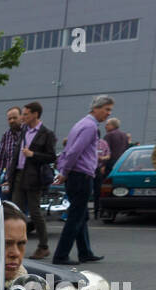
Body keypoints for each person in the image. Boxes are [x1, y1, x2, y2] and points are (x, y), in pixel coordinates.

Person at [52, 94, 112, 266]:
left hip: (76, 175)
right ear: (96, 108)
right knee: (75, 216)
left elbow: (68, 150)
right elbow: (74, 151)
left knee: (81, 215)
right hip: (81, 176)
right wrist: (64, 171)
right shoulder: (90, 127)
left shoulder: (81, 124)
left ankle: (85, 252)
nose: (108, 114)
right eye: (107, 109)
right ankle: (61, 255)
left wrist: (64, 170)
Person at [10, 102, 56, 260]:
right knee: (15, 211)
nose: (23, 117)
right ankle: (13, 243)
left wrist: (33, 154)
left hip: (34, 177)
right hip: (19, 175)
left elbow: (51, 157)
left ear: (35, 114)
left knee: (35, 212)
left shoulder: (46, 133)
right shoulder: (24, 131)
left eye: (26, 114)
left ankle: (43, 246)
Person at [0, 106, 23, 196]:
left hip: (22, 181)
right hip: (7, 181)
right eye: (9, 119)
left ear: (21, 118)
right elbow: (0, 159)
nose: (12, 120)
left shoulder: (27, 133)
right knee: (6, 207)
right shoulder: (6, 135)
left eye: (15, 118)